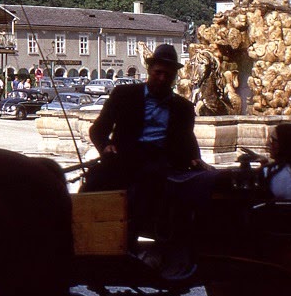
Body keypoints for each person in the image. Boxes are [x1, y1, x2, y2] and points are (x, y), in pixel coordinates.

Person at [87, 44, 205, 245]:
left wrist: (196, 160)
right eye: (158, 73)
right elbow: (97, 131)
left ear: (174, 77)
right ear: (149, 71)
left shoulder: (183, 107)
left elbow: (188, 140)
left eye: (167, 75)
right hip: (124, 157)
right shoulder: (124, 95)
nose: (162, 79)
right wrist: (105, 146)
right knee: (93, 185)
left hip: (162, 161)